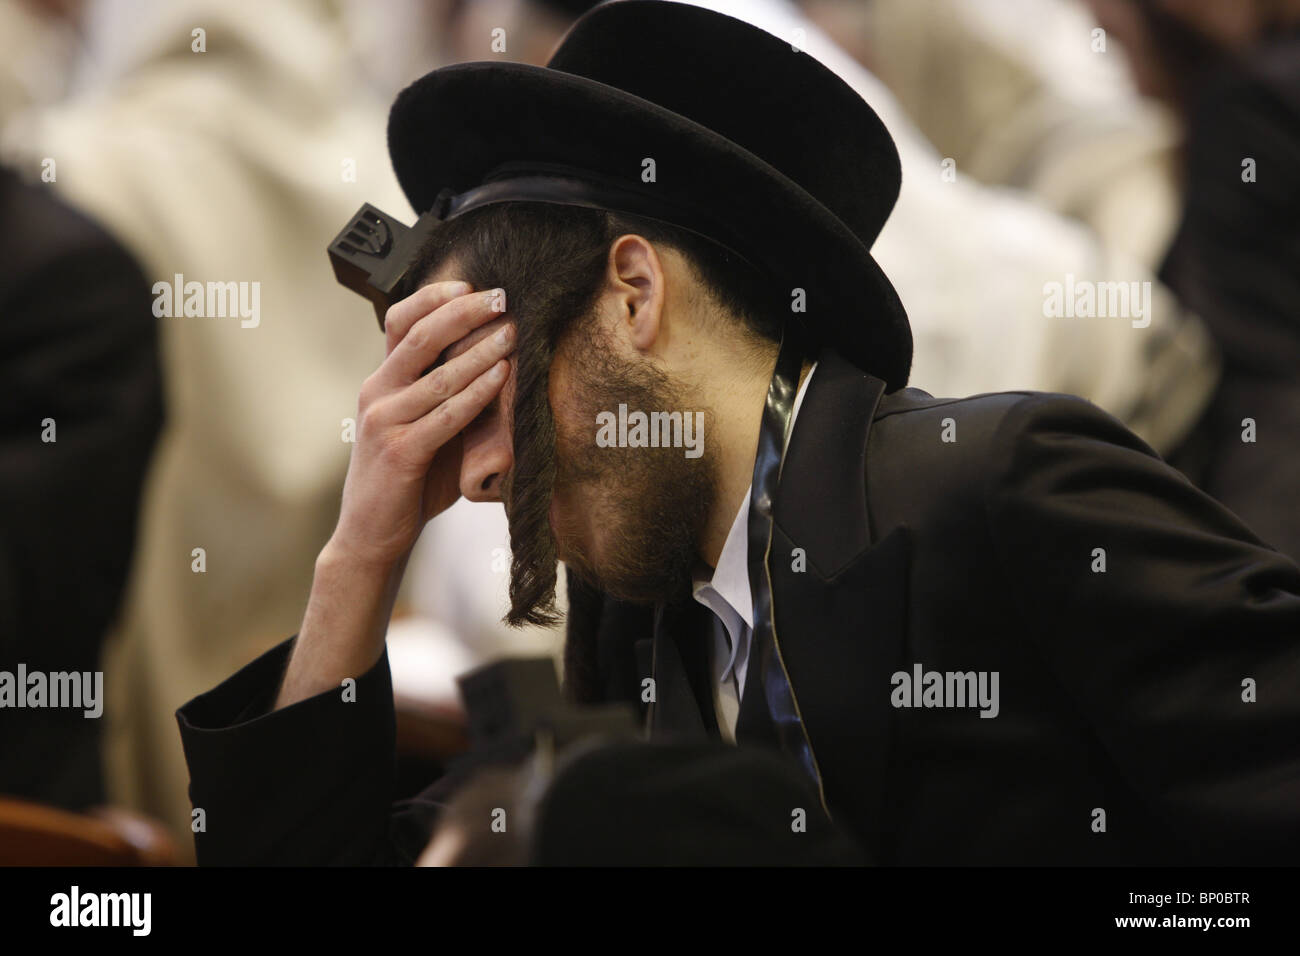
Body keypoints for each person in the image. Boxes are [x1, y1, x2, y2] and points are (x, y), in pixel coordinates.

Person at [177, 1, 1300, 865]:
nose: (467, 476)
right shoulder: (646, 611)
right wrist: (356, 558)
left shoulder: (995, 485)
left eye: (489, 396)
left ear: (632, 295)